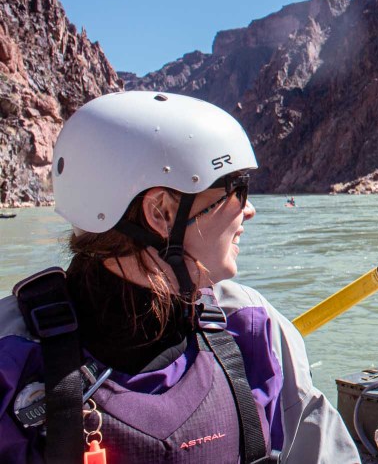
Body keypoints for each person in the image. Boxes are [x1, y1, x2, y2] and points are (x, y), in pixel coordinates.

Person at [0, 91, 359, 463]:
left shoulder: (255, 326)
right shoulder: (11, 354)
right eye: (236, 189)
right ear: (161, 212)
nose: (249, 210)